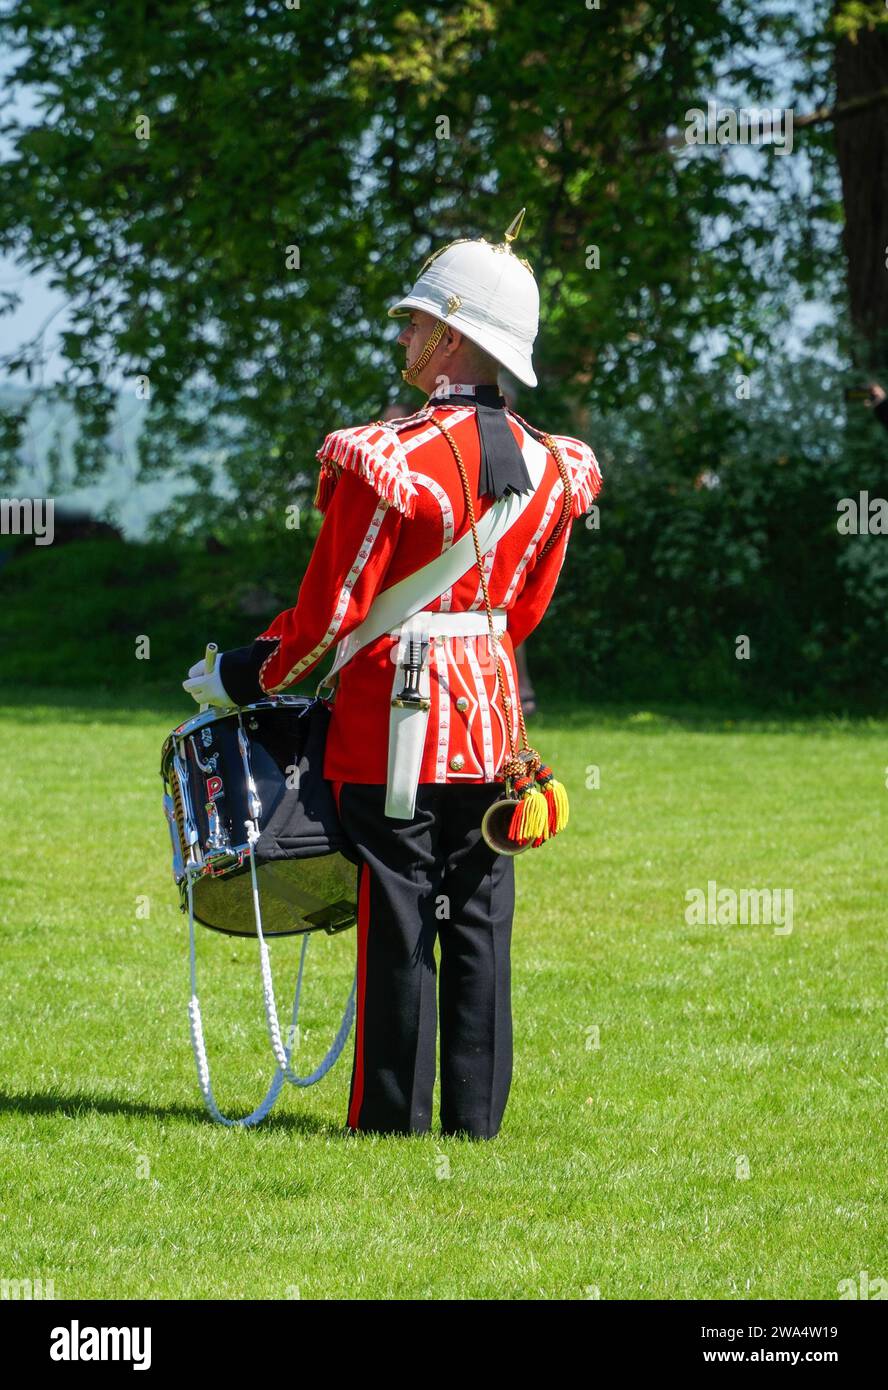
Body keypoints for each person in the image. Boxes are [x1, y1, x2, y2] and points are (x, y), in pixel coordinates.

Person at [182, 209, 603, 1140]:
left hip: (394, 720)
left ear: (454, 336)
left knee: (401, 911)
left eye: (416, 323)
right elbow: (521, 612)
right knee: (482, 917)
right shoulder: (551, 465)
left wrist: (243, 676)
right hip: (494, 729)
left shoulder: (387, 456)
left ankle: (390, 1122)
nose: (404, 336)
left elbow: (328, 615)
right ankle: (475, 1126)